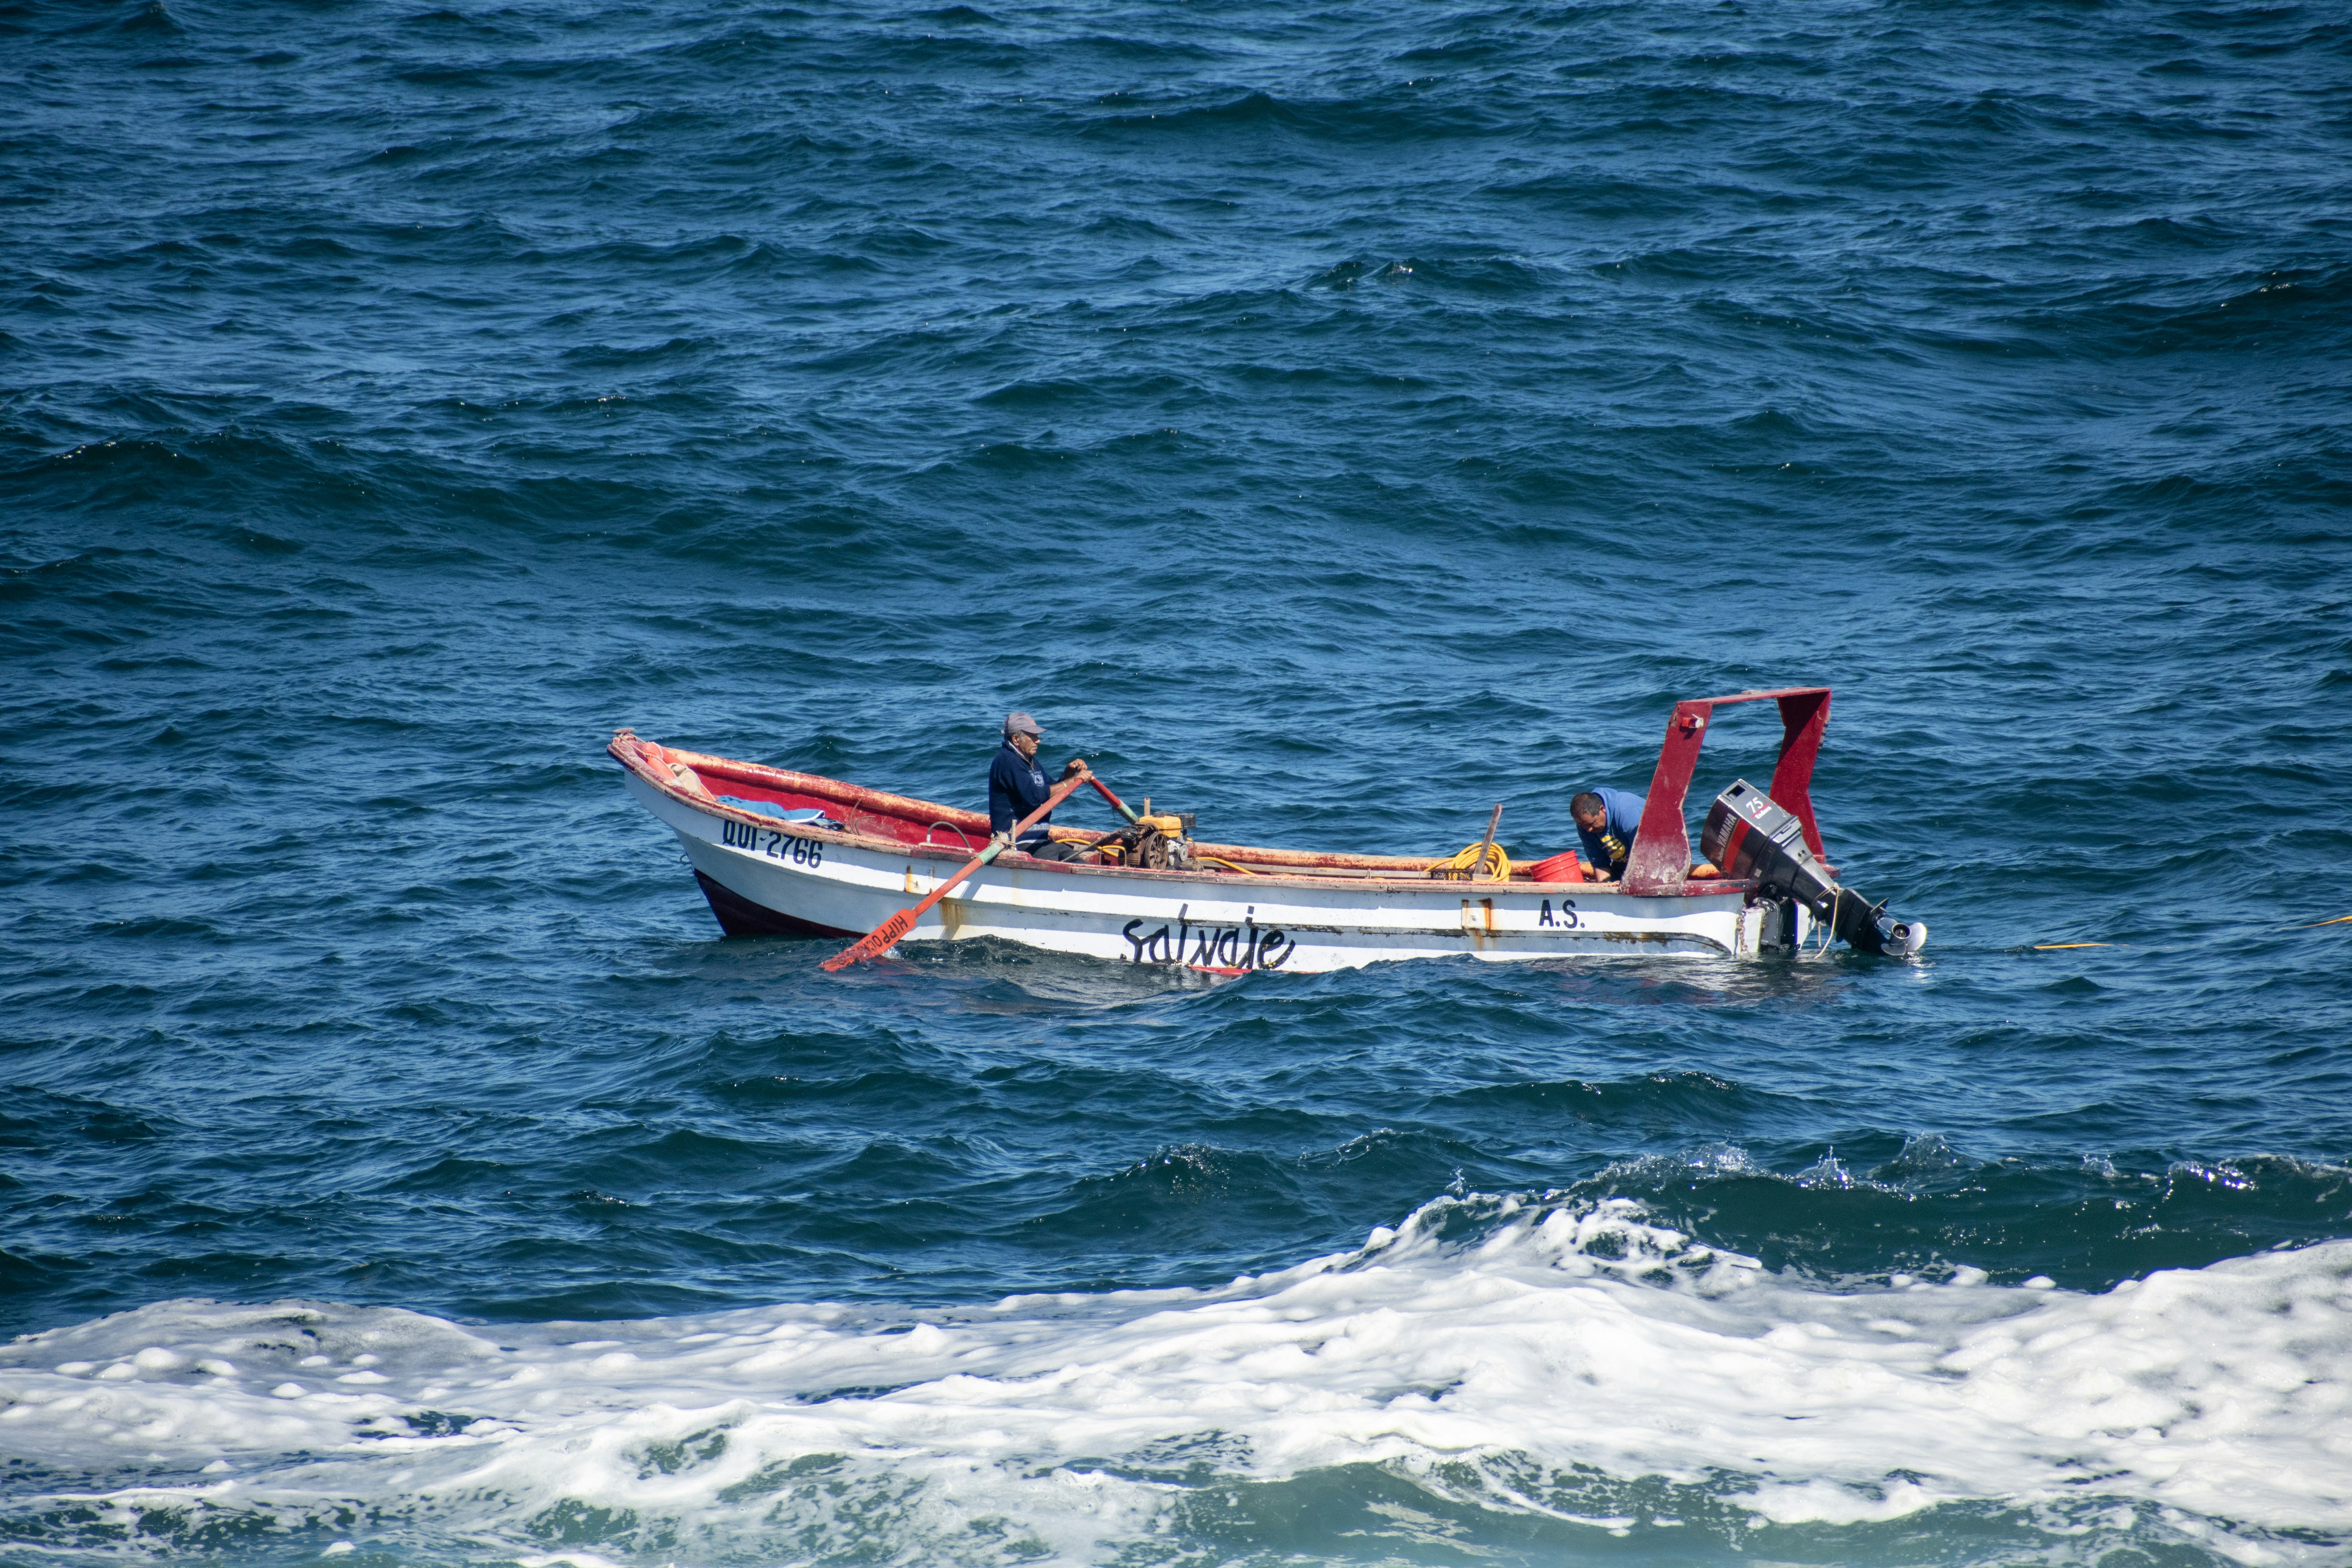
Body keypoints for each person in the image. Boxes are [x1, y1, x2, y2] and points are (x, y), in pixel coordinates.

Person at [989, 711, 1088, 862]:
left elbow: (1051, 791)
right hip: (1017, 844)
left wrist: (1068, 774)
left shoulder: (1031, 762)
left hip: (1039, 841)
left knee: (1079, 862)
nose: (1039, 741)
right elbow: (1034, 797)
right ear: (1016, 739)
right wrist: (1072, 781)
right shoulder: (1007, 761)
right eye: (1033, 737)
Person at [1571, 788, 1719, 883]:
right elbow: (1600, 865)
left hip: (1660, 857)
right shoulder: (1585, 826)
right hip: (1627, 864)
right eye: (1584, 826)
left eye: (1591, 824)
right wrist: (1606, 887)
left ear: (1602, 810)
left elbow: (1647, 857)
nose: (1588, 830)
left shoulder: (1627, 815)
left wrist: (1626, 884)